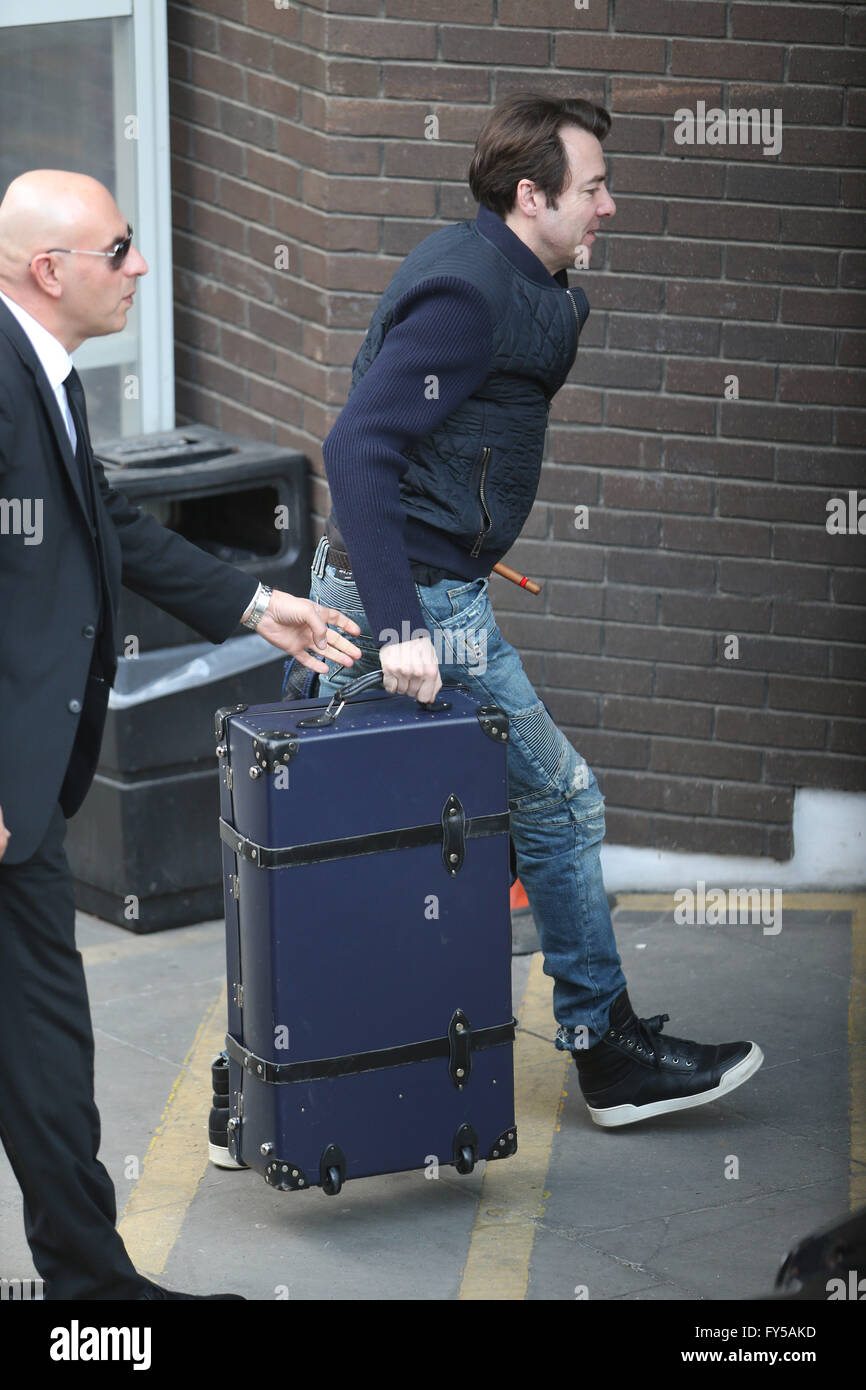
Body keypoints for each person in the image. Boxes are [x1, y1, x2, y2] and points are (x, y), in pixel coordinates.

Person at [284, 93, 764, 1129]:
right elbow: (356, 447)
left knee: (332, 835)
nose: (609, 206)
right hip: (414, 603)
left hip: (421, 587)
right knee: (556, 803)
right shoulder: (468, 294)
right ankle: (607, 1054)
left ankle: (259, 1085)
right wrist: (403, 624)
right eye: (593, 188)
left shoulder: (510, 275)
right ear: (530, 196)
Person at [0, 169, 363, 1300]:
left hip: (25, 796)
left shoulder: (43, 373)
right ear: (48, 270)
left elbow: (102, 522)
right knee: (40, 1036)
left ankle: (92, 1295)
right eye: (119, 249)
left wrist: (259, 606)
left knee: (43, 1043)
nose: (140, 267)